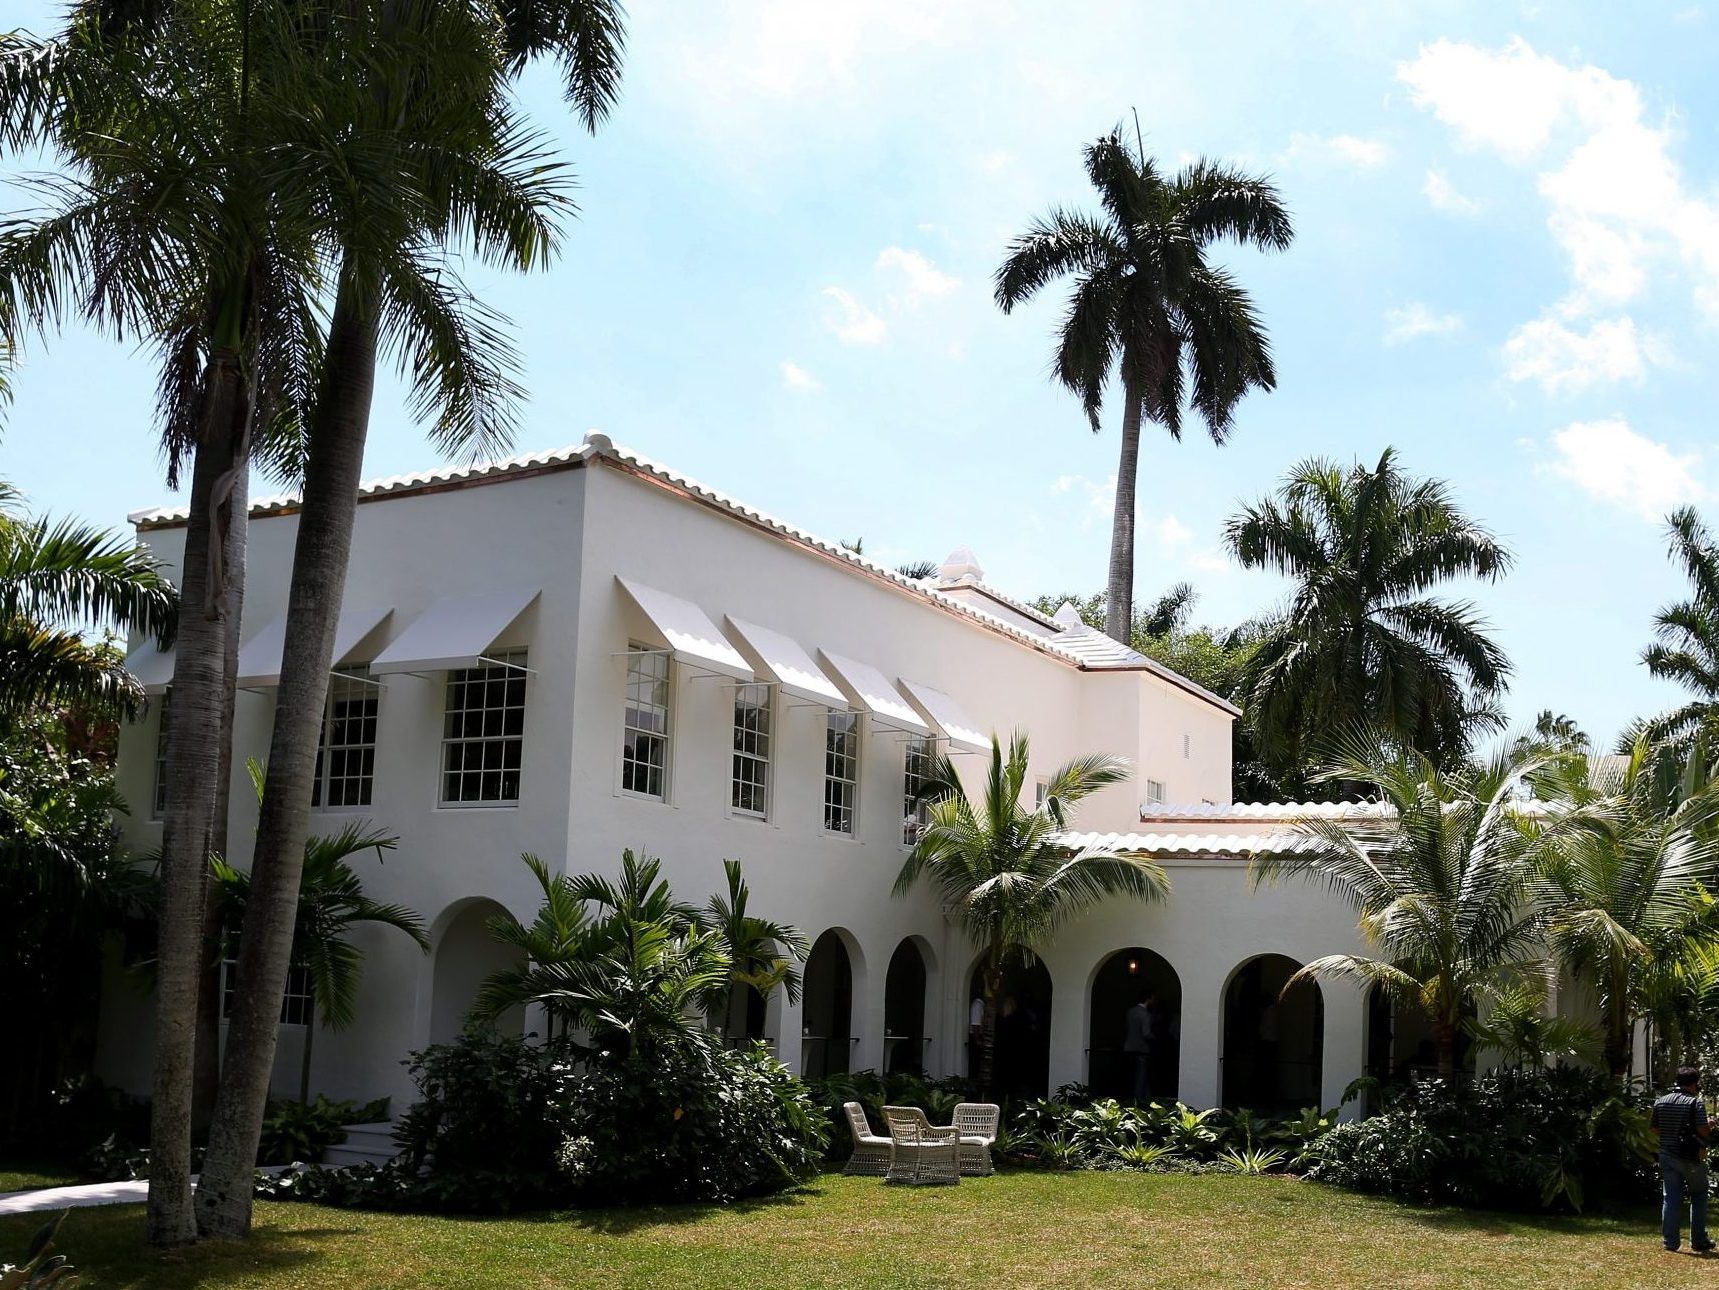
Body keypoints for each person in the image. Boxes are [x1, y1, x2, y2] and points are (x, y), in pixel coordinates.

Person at [1651, 1065, 1713, 1254]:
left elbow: (1654, 1128)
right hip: (1690, 1157)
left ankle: (1671, 1241)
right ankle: (1698, 1240)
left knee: (1670, 1198)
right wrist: (1710, 1125)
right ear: (1694, 1084)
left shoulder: (1661, 1101)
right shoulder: (1695, 1103)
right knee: (1699, 1195)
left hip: (1667, 1154)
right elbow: (1702, 1129)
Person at [1123, 989, 1156, 1103]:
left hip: (1128, 1047)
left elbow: (1126, 1028)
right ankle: (1139, 1101)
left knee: (1131, 1075)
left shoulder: (1130, 1012)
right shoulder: (1145, 1014)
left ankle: (1133, 1098)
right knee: (1141, 1076)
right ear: (1149, 999)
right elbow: (1146, 1033)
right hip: (1141, 1049)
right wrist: (1156, 1038)